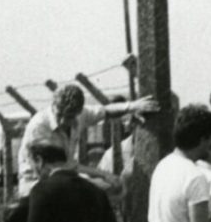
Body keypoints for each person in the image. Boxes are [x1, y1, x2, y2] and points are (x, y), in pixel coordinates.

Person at [17, 82, 156, 195]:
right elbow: (56, 170)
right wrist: (101, 174)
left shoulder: (80, 114)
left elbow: (106, 111)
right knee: (96, 190)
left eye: (70, 116)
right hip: (35, 183)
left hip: (63, 178)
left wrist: (131, 106)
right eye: (60, 114)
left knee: (113, 187)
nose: (63, 121)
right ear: (53, 106)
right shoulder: (39, 127)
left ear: (78, 112)